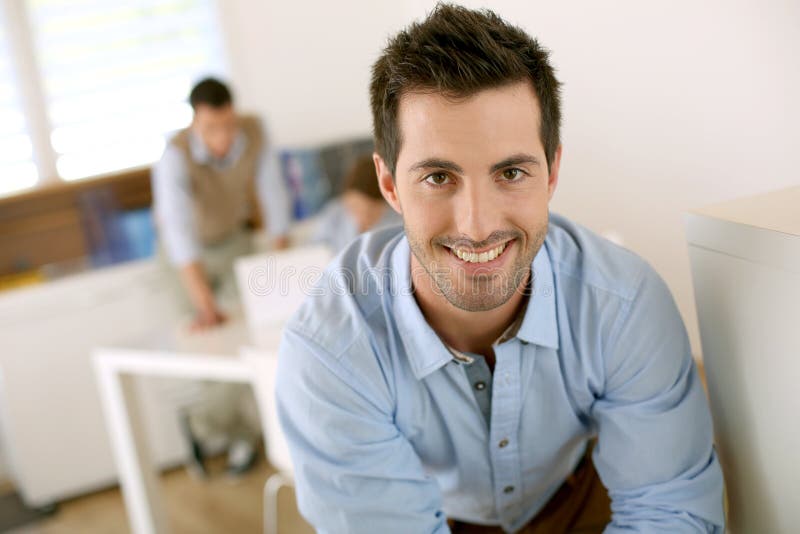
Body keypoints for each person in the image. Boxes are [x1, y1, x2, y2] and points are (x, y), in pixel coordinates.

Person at [276, 5, 725, 534]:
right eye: (439, 177)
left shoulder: (626, 304)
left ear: (552, 171)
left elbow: (668, 512)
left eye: (510, 172)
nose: (477, 224)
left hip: (579, 500)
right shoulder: (331, 350)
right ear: (390, 183)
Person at [152, 77, 291, 476]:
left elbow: (274, 196)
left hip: (234, 243)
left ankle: (217, 430)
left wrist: (278, 268)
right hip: (184, 258)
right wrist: (204, 304)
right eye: (212, 128)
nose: (223, 137)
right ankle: (230, 433)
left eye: (228, 125)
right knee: (208, 345)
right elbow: (178, 233)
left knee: (245, 340)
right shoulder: (174, 155)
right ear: (195, 122)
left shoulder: (255, 132)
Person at [313, 155, 402, 253]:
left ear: (387, 204)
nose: (362, 217)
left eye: (371, 212)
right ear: (346, 199)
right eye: (355, 208)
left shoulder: (398, 222)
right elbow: (313, 252)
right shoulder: (333, 215)